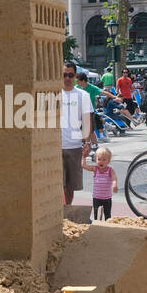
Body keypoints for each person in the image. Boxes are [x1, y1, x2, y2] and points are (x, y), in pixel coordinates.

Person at [60, 62, 94, 205]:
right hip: (54, 146)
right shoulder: (51, 94)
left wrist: (87, 142)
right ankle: (57, 214)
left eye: (70, 75)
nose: (67, 78)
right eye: (64, 75)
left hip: (74, 146)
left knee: (70, 186)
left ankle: (67, 212)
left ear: (75, 76)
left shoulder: (83, 95)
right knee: (56, 184)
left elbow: (88, 121)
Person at [82, 146, 118, 220]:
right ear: (95, 160)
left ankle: (108, 227)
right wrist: (83, 157)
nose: (101, 161)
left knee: (107, 214)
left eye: (104, 160)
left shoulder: (110, 170)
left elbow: (114, 178)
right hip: (96, 197)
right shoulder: (95, 169)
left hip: (107, 198)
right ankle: (97, 226)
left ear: (108, 161)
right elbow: (84, 166)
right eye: (99, 159)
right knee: (96, 214)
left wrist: (114, 185)